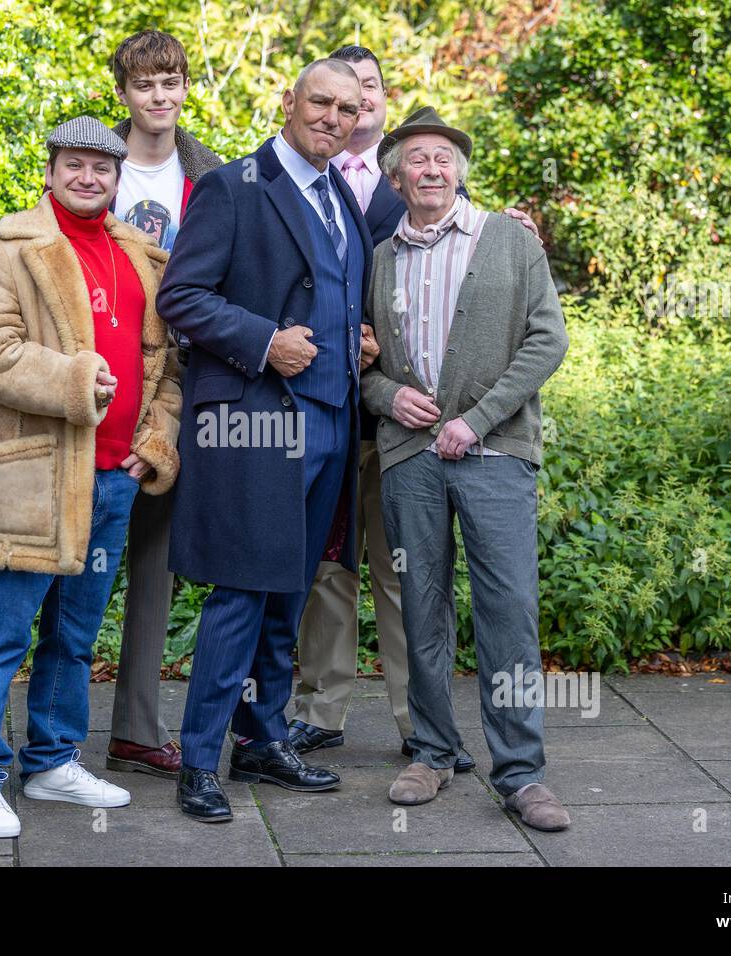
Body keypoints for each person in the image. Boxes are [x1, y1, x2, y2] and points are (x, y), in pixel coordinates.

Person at [289, 45, 538, 772]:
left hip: (427, 433)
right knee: (330, 569)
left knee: (407, 577)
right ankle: (322, 708)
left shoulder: (446, 204)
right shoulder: (306, 177)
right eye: (340, 92)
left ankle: (419, 724)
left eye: (368, 88)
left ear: (382, 102)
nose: (354, 103)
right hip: (340, 411)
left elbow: (524, 321)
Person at [0, 116, 182, 838]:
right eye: (74, 165)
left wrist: (156, 437)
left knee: (75, 637)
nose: (88, 177)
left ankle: (51, 761)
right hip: (35, 476)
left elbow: (166, 368)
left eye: (101, 168)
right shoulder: (13, 245)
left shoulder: (143, 254)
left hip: (114, 479)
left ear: (117, 179)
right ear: (50, 172)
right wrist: (76, 379)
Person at [159, 60, 375, 822]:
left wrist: (360, 336)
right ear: (290, 102)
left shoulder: (344, 194)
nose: (333, 117)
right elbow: (181, 296)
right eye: (321, 101)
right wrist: (263, 340)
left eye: (348, 109)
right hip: (256, 421)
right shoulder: (232, 187)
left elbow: (336, 286)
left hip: (331, 424)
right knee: (243, 592)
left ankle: (260, 739)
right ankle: (199, 761)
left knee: (290, 591)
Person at [361, 107, 571, 831]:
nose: (431, 169)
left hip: (495, 455)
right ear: (396, 177)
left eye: (443, 158)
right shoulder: (381, 256)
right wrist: (391, 396)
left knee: (508, 610)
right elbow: (364, 368)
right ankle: (432, 751)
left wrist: (476, 420)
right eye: (416, 159)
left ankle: (521, 773)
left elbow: (548, 340)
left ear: (460, 171)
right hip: (410, 457)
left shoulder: (509, 241)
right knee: (420, 606)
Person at [104, 30, 222, 780]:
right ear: (123, 93)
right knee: (70, 558)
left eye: (171, 82)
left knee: (154, 563)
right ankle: (44, 732)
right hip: (105, 382)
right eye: (144, 84)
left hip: (182, 385)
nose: (160, 96)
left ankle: (134, 730)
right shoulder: (93, 165)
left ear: (183, 88)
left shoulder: (212, 174)